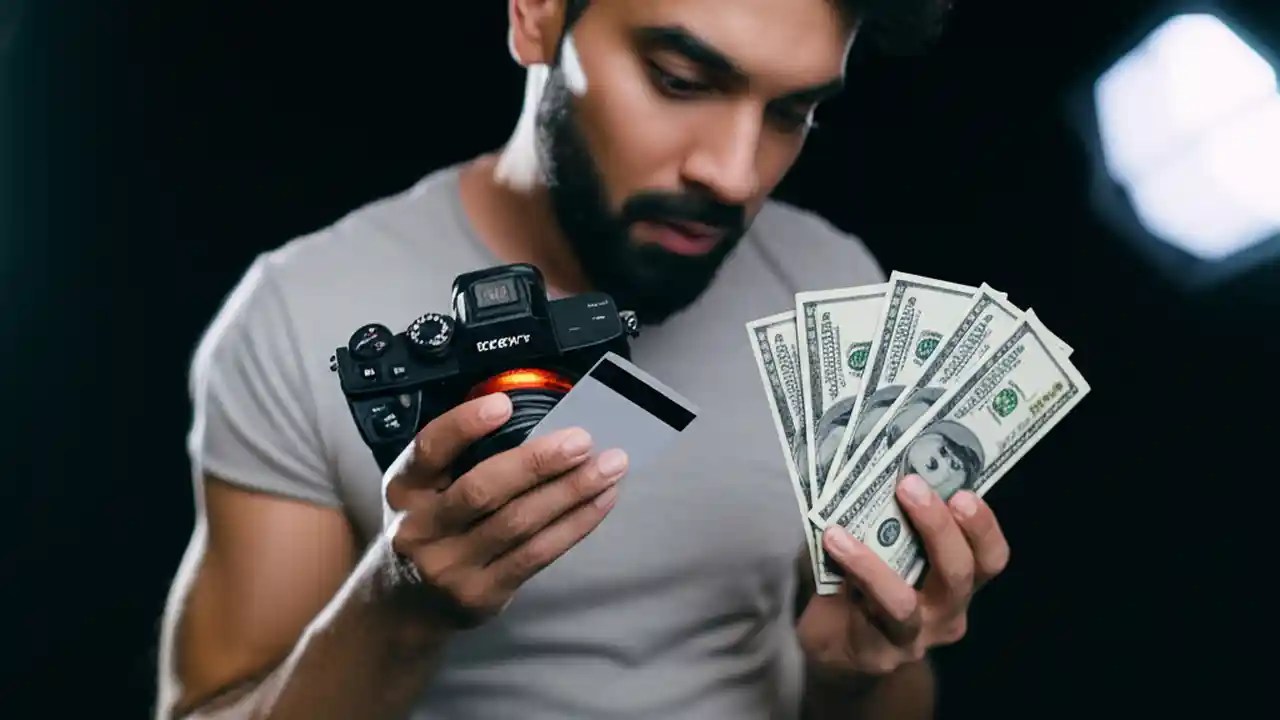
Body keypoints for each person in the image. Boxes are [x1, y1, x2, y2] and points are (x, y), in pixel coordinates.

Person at [154, 1, 1012, 718]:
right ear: (536, 15)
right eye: (680, 82)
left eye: (792, 113)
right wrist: (400, 604)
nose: (734, 174)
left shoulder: (832, 293)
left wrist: (855, 674)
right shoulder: (303, 313)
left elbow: (888, 699)